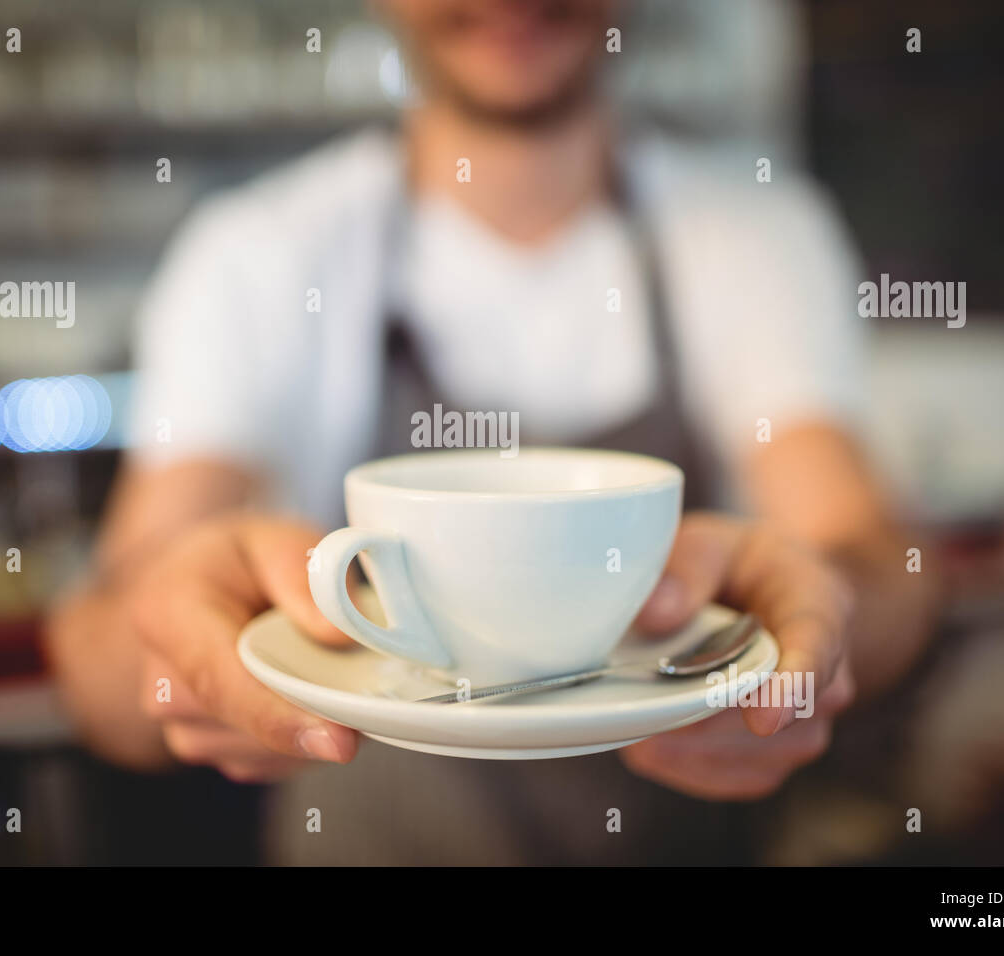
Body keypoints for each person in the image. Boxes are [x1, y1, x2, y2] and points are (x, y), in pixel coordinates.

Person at [46, 0, 939, 864]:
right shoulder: (260, 255)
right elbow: (103, 656)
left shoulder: (756, 239)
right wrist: (167, 647)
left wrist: (821, 622)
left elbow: (870, 549)